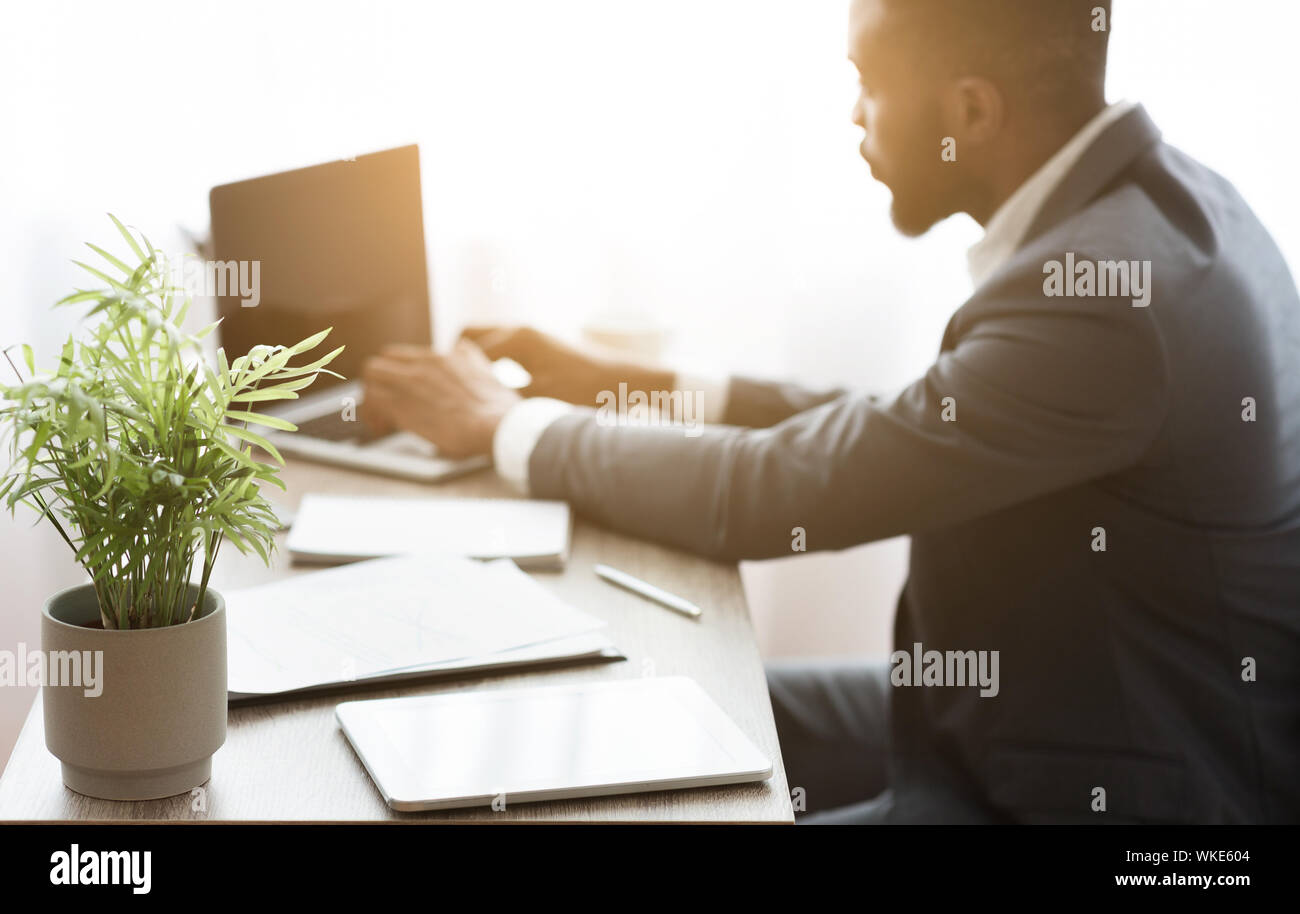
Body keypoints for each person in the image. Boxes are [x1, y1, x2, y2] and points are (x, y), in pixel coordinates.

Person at [362, 0, 1300, 823]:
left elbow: (781, 495)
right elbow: (911, 424)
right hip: (1019, 715)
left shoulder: (1103, 299)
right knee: (667, 714)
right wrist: (612, 380)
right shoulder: (1170, 209)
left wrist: (502, 426)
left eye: (867, 83)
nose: (853, 115)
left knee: (652, 779)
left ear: (970, 110)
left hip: (1120, 796)